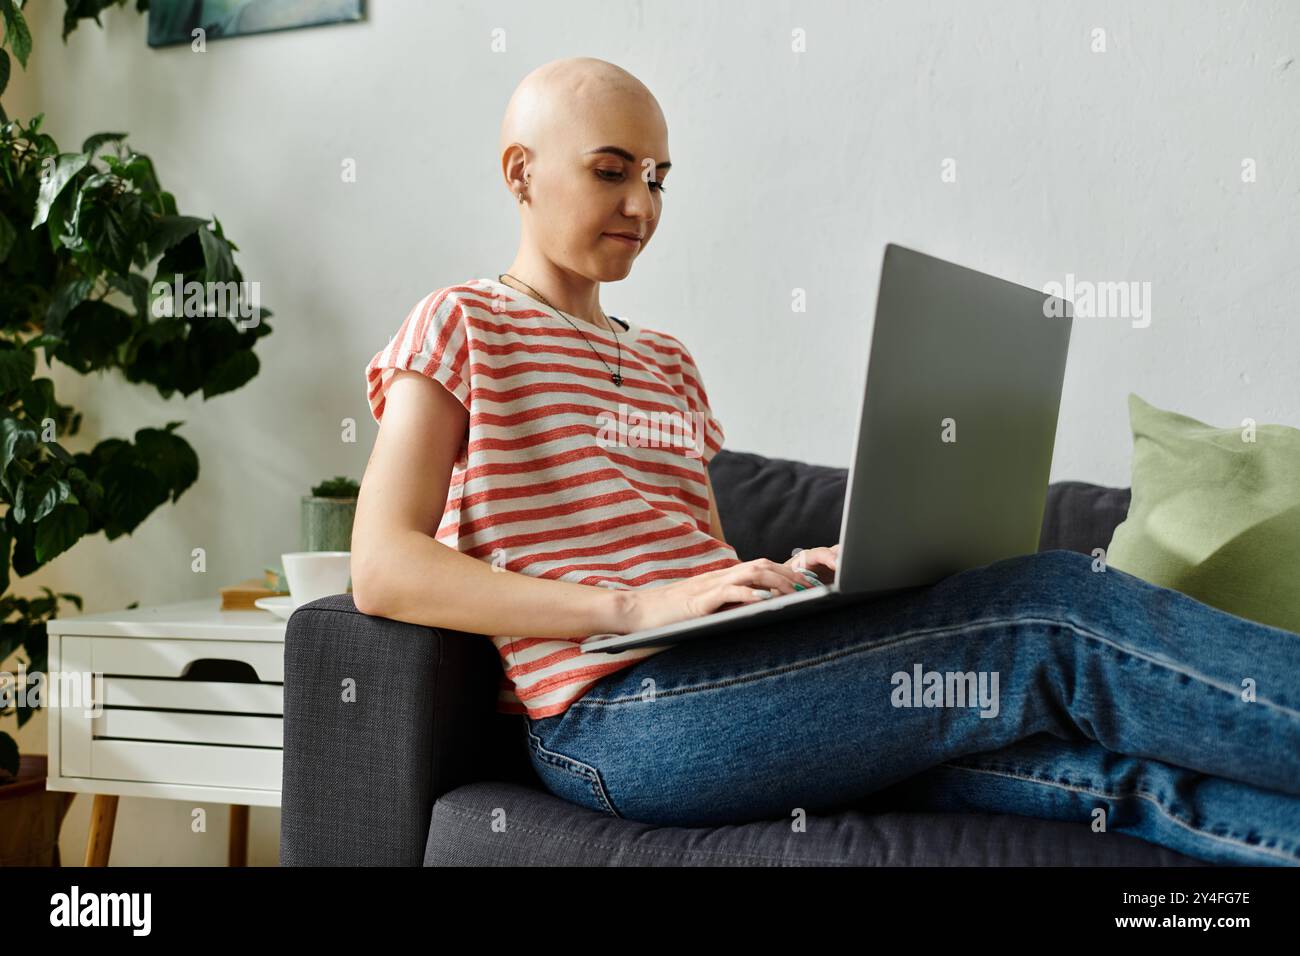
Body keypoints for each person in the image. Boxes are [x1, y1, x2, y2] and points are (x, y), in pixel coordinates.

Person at [351, 57, 1300, 866]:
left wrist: (801, 582)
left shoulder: (666, 363)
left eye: (659, 177)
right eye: (610, 172)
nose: (643, 204)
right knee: (1052, 610)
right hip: (614, 719)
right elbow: (383, 567)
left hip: (713, 678)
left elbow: (700, 568)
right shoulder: (463, 323)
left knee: (1097, 771)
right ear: (519, 171)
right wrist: (629, 609)